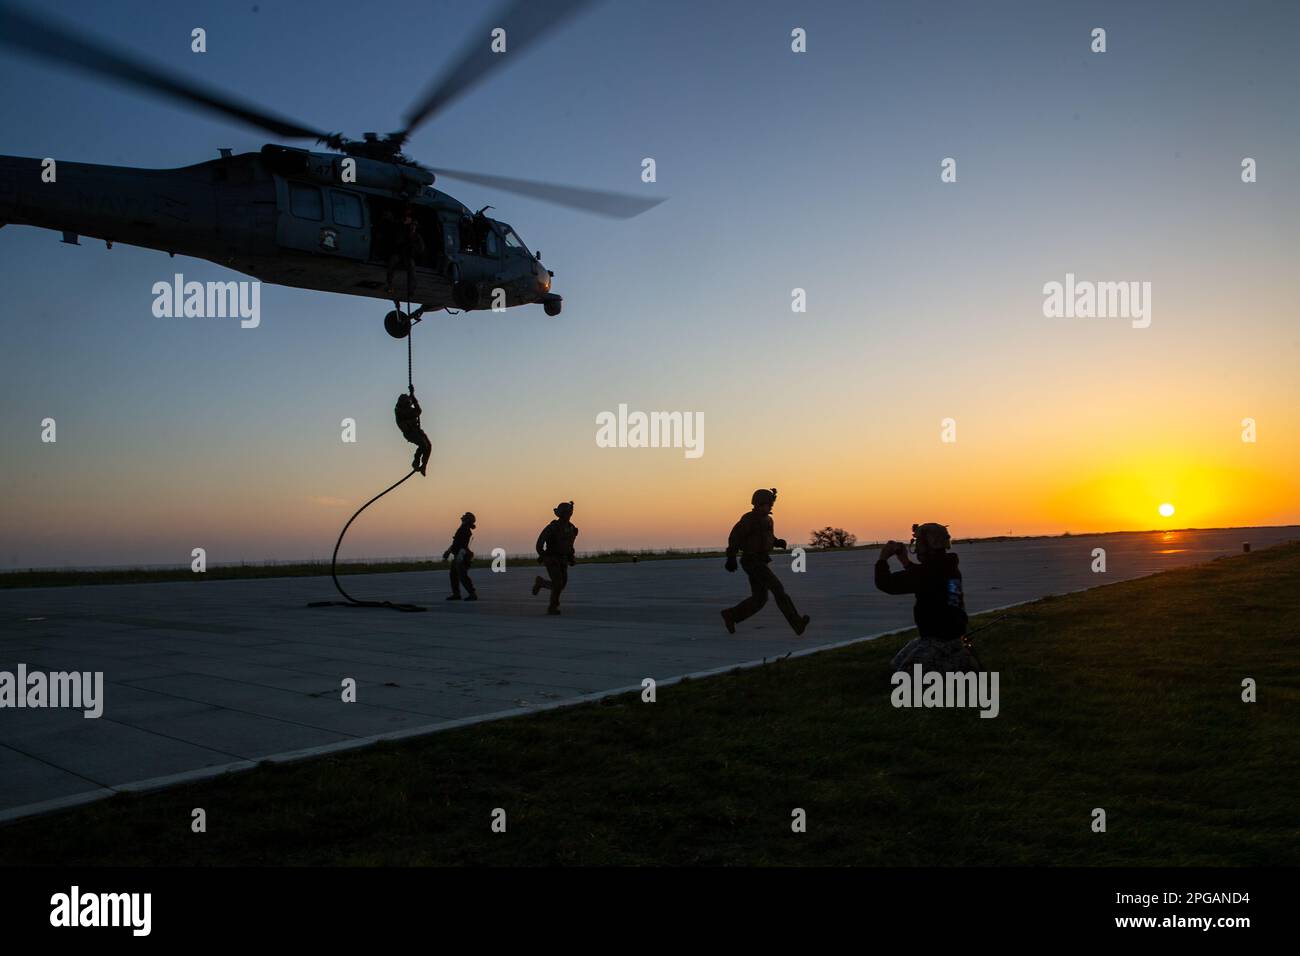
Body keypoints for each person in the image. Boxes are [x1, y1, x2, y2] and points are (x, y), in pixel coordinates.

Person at [874, 523, 974, 672]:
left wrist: (883, 559)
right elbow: (924, 577)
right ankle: (958, 658)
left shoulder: (929, 572)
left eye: (919, 543)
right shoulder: (949, 566)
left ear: (929, 545)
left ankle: (956, 665)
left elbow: (886, 584)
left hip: (939, 640)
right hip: (951, 637)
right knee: (896, 665)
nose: (917, 547)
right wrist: (906, 563)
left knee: (903, 674)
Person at [721, 488, 810, 636]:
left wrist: (777, 542)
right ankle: (797, 623)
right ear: (760, 504)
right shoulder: (748, 519)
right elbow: (734, 538)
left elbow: (767, 537)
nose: (771, 506)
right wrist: (731, 558)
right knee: (778, 589)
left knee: (760, 599)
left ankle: (731, 615)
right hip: (752, 561)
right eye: (769, 503)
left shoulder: (768, 520)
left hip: (761, 560)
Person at [532, 501, 579, 615]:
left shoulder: (572, 528)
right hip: (552, 559)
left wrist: (571, 558)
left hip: (563, 560)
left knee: (562, 584)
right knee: (558, 583)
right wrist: (545, 556)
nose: (569, 514)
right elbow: (539, 544)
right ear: (561, 514)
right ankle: (553, 607)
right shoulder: (552, 528)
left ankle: (541, 582)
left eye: (570, 512)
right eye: (567, 512)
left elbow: (570, 546)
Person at [385, 204, 424, 306]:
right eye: (411, 225)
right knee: (392, 262)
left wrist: (413, 248)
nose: (412, 227)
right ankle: (390, 285)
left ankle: (411, 290)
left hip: (408, 256)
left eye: (414, 226)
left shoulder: (417, 237)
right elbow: (396, 240)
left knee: (412, 268)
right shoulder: (402, 231)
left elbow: (421, 249)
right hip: (399, 253)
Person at [394, 390, 431, 476]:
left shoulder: (408, 409)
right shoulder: (400, 411)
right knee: (423, 445)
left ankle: (424, 465)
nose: (409, 404)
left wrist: (413, 396)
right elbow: (417, 411)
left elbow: (418, 411)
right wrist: (412, 397)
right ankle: (416, 461)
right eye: (407, 403)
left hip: (417, 431)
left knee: (428, 446)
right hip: (410, 433)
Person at [442, 512, 477, 601]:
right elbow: (455, 543)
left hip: (461, 555)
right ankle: (456, 594)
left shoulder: (465, 530)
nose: (462, 517)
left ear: (467, 520)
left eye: (464, 517)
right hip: (458, 555)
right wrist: (449, 551)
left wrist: (458, 557)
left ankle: (472, 594)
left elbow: (462, 545)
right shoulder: (462, 528)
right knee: (453, 574)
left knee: (462, 575)